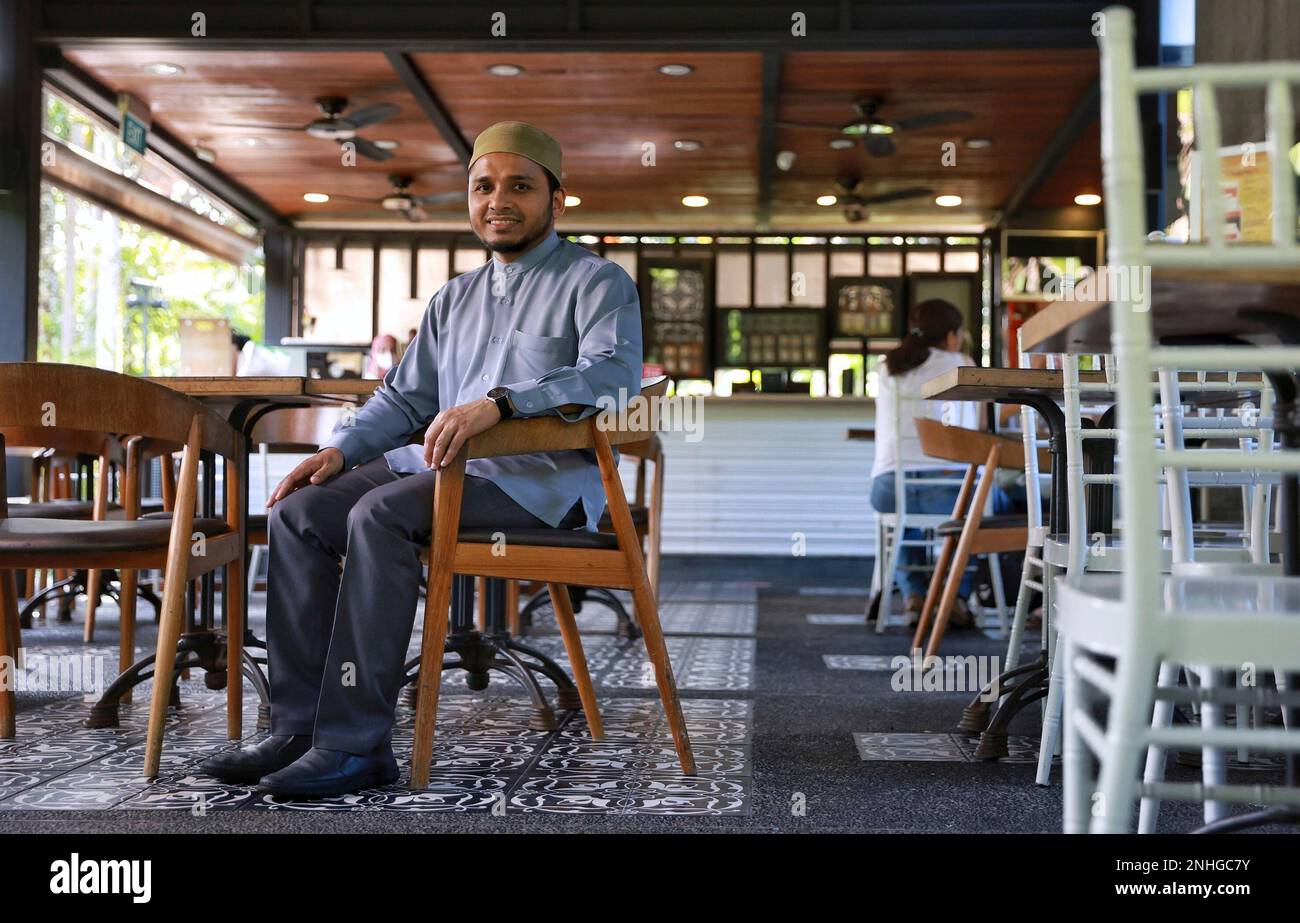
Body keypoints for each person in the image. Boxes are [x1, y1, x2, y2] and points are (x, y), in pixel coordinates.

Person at [200, 121, 643, 798]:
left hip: (535, 485)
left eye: (520, 185)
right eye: (483, 186)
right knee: (300, 510)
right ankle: (300, 724)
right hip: (438, 469)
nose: (499, 199)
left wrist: (502, 402)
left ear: (557, 199)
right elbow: (406, 397)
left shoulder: (597, 281)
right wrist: (340, 448)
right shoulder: (453, 298)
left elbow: (614, 375)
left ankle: (355, 745)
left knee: (377, 516)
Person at [869, 299, 1004, 624]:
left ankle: (915, 595)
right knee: (982, 508)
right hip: (947, 486)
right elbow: (981, 429)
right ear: (950, 335)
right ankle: (954, 597)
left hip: (887, 486)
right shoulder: (960, 363)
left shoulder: (888, 366)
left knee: (908, 518)